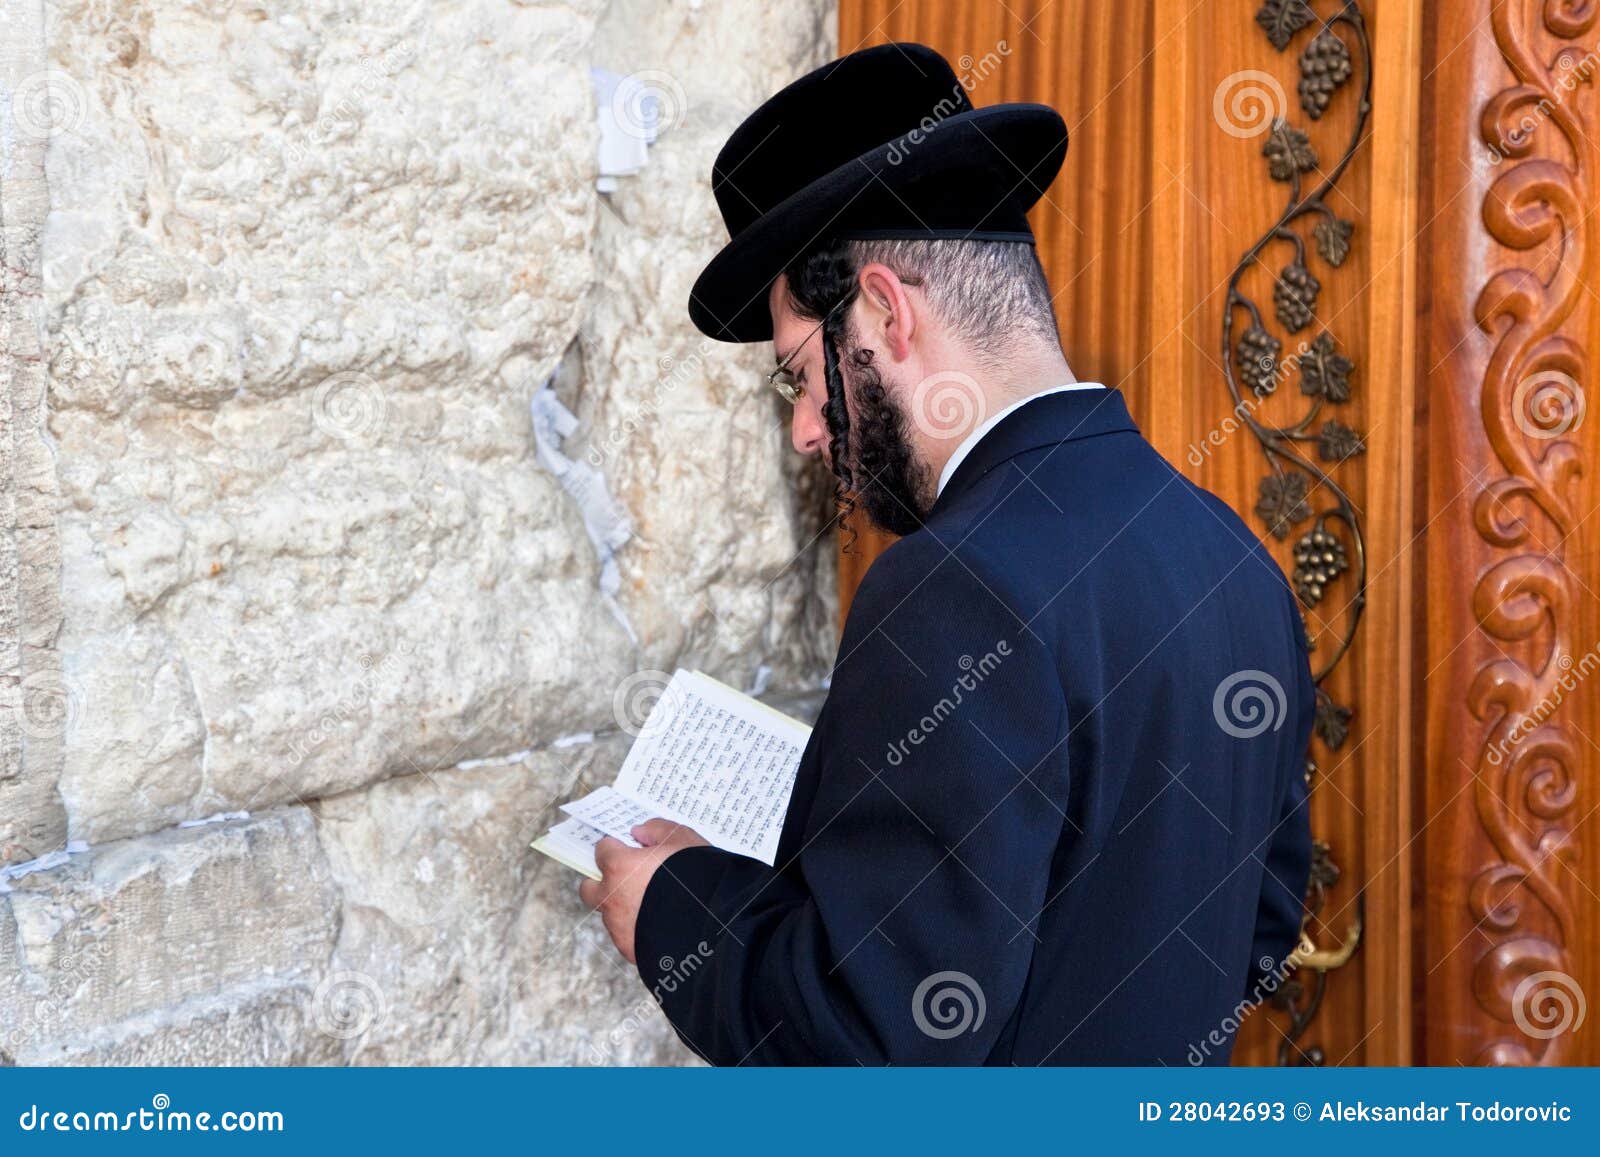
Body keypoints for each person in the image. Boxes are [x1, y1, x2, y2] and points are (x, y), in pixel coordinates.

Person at [579, 42, 1314, 1065]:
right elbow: (1260, 925)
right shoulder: (1230, 554)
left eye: (800, 371)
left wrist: (673, 906)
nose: (805, 427)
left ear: (885, 311)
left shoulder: (950, 588)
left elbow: (869, 1041)